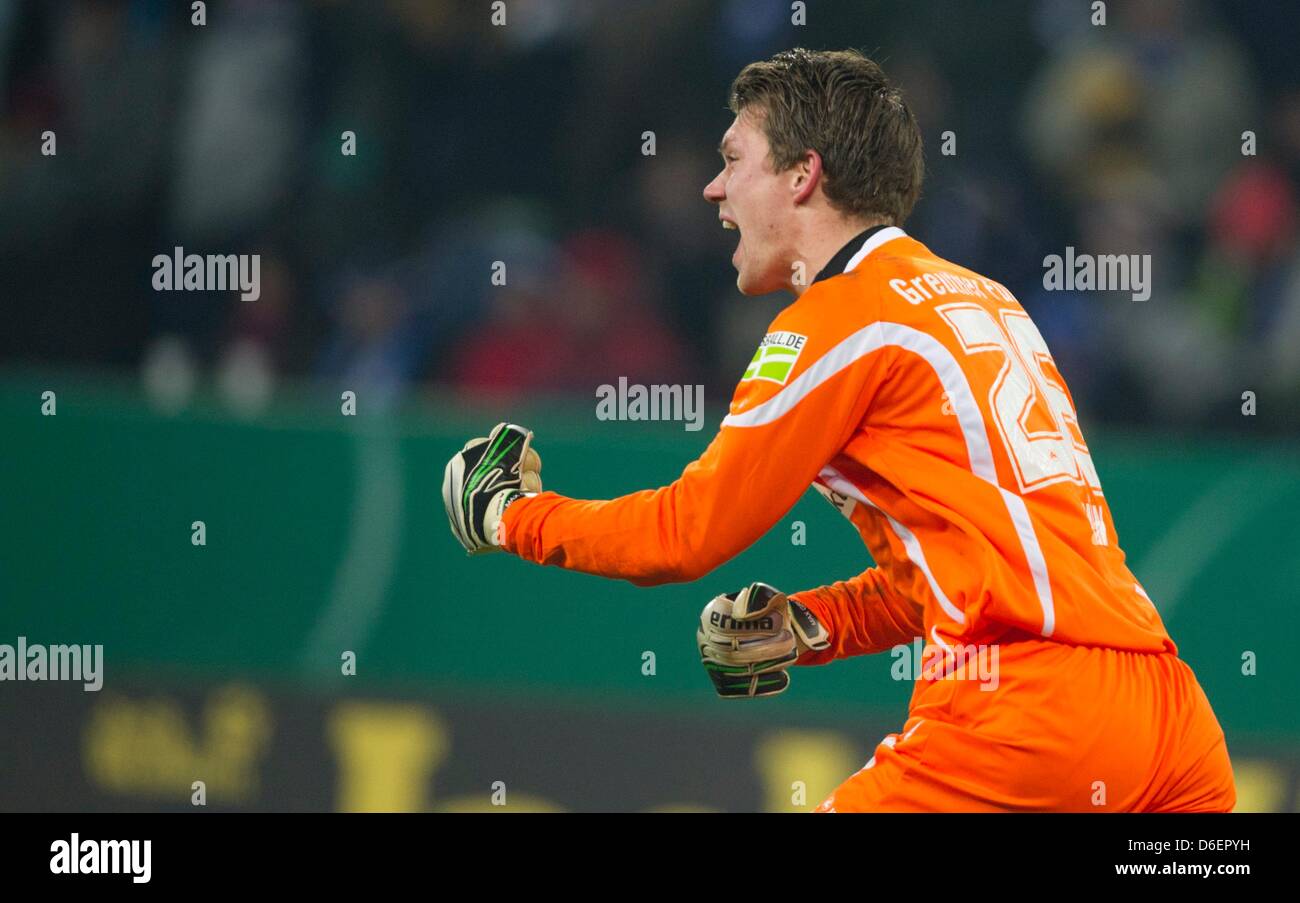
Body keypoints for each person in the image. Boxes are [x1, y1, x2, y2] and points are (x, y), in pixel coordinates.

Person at [442, 49, 1235, 813]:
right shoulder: (986, 298)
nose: (714, 189)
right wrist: (809, 624)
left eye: (733, 158)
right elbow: (974, 564)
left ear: (802, 175)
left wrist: (513, 516)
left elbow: (684, 534)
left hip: (1029, 714)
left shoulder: (839, 318)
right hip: (1168, 723)